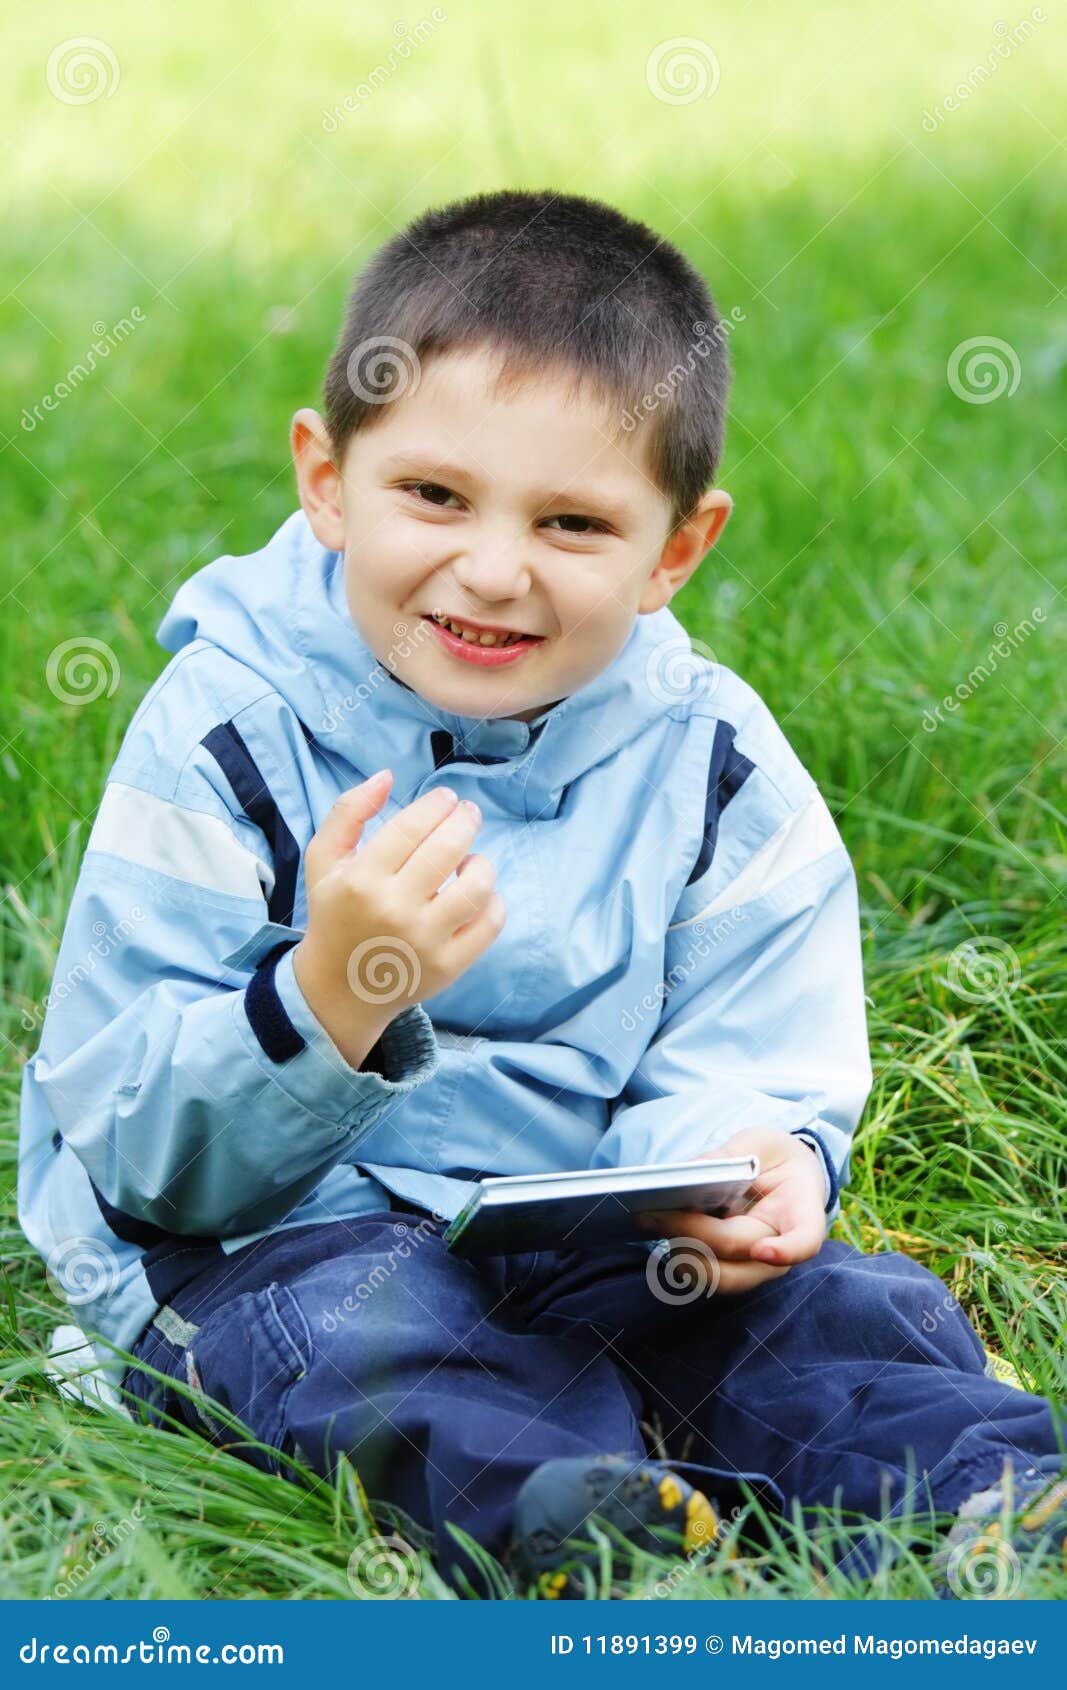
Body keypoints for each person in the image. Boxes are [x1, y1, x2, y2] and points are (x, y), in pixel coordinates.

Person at [18, 190, 1066, 1599]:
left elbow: (758, 1035)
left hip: (593, 1232)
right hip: (280, 1239)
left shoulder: (709, 757)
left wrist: (748, 1163)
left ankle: (987, 1486)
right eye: (434, 496)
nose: (495, 570)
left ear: (675, 550)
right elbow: (138, 1143)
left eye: (574, 522)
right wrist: (328, 996)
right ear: (326, 479)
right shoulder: (225, 729)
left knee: (829, 1312)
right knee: (358, 1342)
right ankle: (569, 1519)